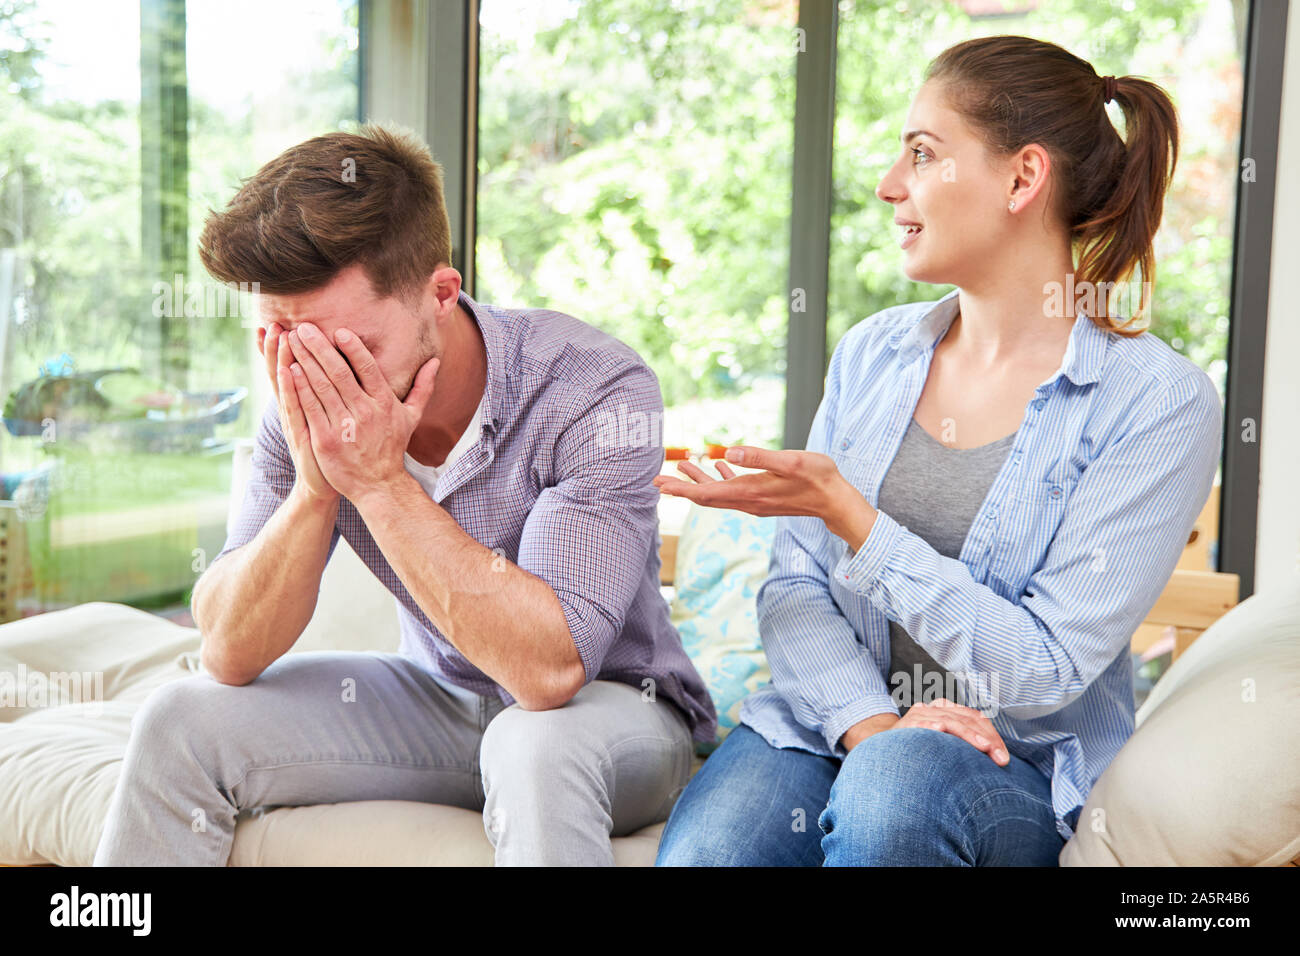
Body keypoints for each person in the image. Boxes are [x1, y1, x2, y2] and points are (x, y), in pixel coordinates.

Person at [653, 35, 1222, 866]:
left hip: (1010, 766)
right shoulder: (872, 355)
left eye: (922, 154)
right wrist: (873, 723)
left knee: (898, 789)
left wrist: (856, 519)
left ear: (1023, 178)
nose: (889, 186)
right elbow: (795, 588)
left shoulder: (1158, 404)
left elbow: (1045, 668)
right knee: (716, 851)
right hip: (832, 726)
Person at [93, 124, 715, 867]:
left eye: (346, 349)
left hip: (615, 712)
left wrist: (382, 484)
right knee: (178, 719)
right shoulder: (298, 409)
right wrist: (316, 491)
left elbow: (548, 673)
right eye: (283, 345)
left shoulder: (594, 389)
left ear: (440, 294)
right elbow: (227, 649)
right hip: (440, 699)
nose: (317, 379)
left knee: (533, 742)